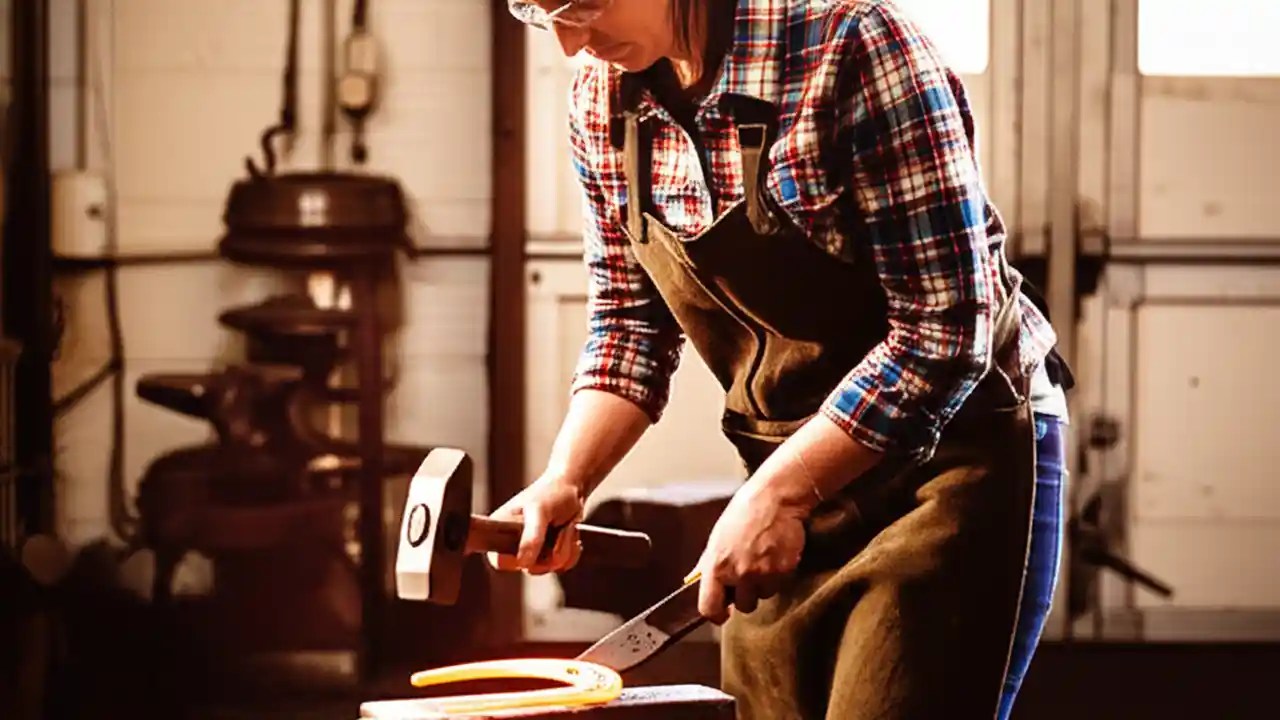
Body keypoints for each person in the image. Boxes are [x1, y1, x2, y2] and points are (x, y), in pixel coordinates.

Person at [493, 0, 1073, 718]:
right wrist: (566, 480)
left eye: (581, 5)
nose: (567, 42)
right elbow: (629, 326)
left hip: (955, 460)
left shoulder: (852, 45)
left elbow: (945, 329)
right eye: (533, 10)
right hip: (787, 471)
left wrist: (780, 494)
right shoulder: (602, 95)